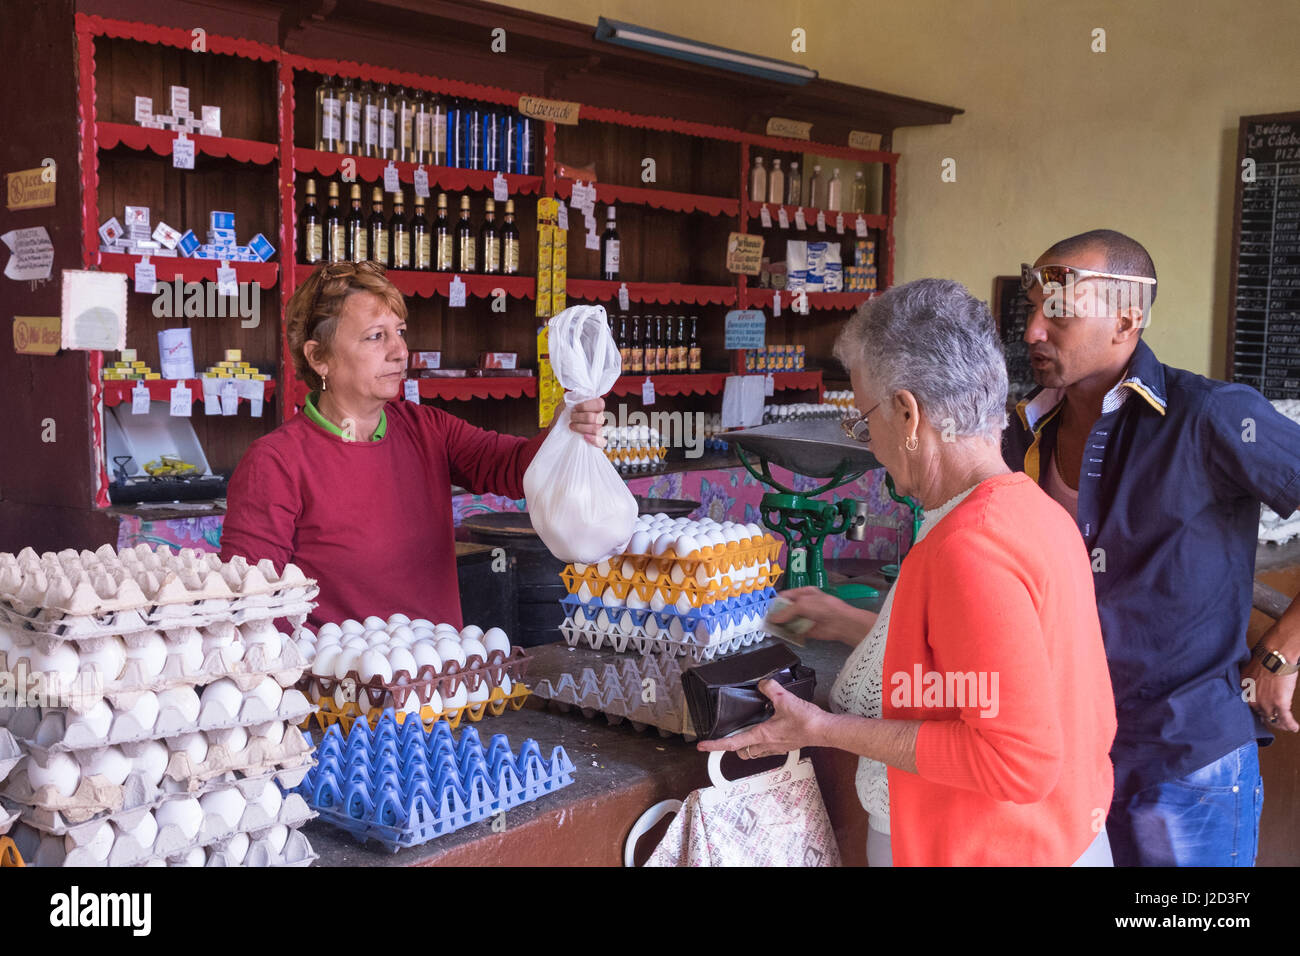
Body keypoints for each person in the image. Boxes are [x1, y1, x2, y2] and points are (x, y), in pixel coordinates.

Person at [701, 279, 1118, 866]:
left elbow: (1015, 761)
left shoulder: (969, 547)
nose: (867, 441)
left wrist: (821, 728)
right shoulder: (1028, 510)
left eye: (864, 419)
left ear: (907, 414)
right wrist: (852, 623)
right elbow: (975, 667)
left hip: (987, 849)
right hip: (1059, 836)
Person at [1003, 229, 1300, 866]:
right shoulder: (1023, 431)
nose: (1033, 330)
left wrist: (1280, 653)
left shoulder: (1212, 416)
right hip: (1062, 755)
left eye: (1057, 309)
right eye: (1031, 307)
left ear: (1127, 318)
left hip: (1183, 762)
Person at [219, 260, 606, 628]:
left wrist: (563, 430)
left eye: (400, 332)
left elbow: (513, 467)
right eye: (376, 336)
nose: (399, 351)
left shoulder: (427, 429)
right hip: (341, 692)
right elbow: (252, 605)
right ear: (319, 357)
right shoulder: (276, 462)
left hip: (437, 685)